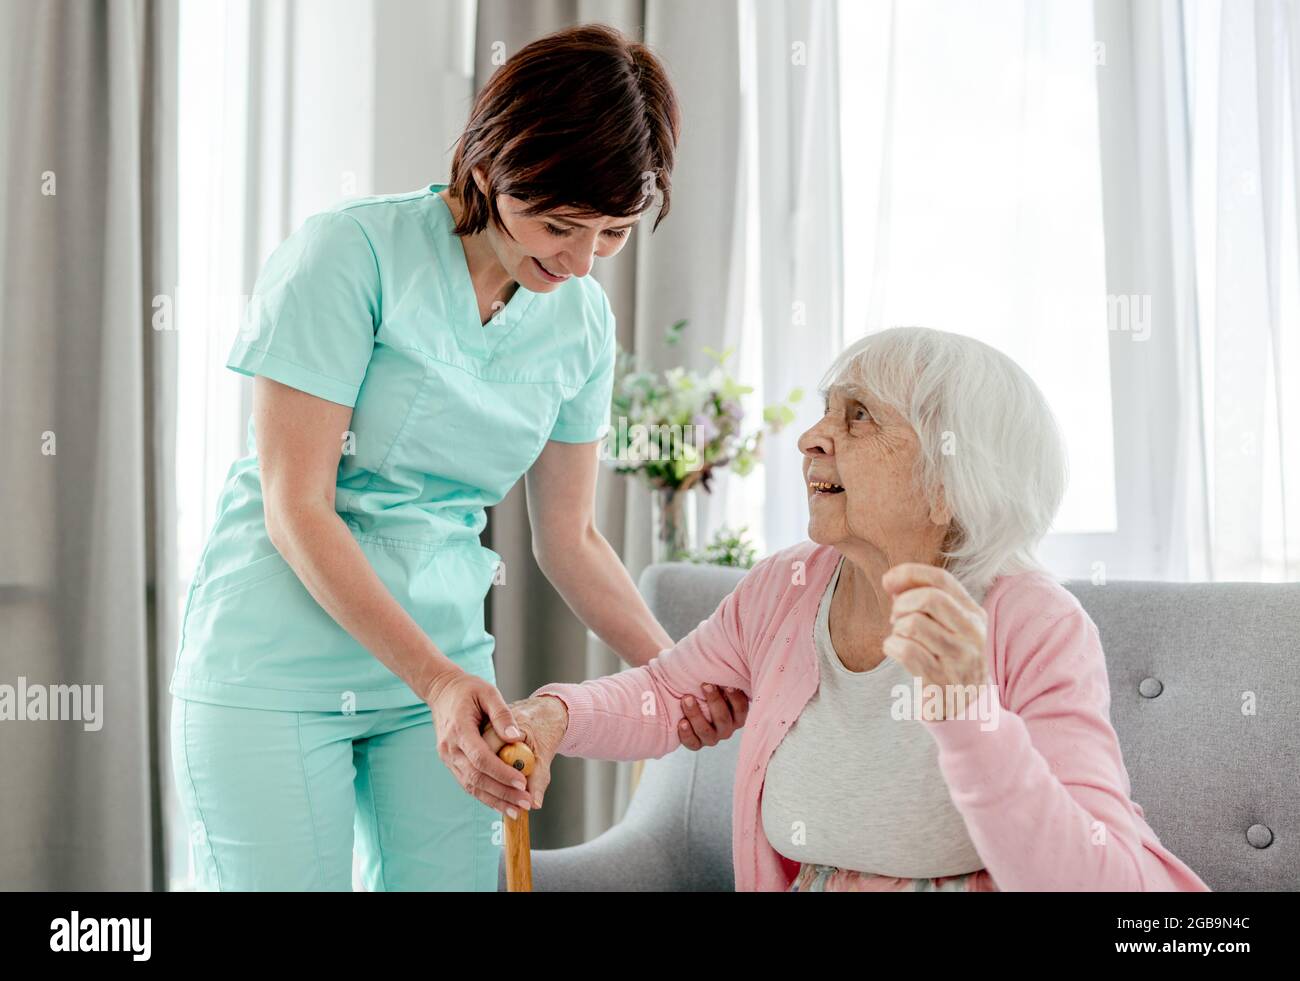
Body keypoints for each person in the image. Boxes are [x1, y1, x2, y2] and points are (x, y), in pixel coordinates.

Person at [167, 23, 747, 892]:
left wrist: (680, 672)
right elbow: (298, 506)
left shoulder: (580, 320)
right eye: (558, 223)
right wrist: (436, 680)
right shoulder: (348, 255)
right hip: (276, 654)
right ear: (489, 164)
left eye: (615, 234)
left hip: (443, 663)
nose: (582, 261)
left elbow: (570, 538)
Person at [492, 326, 1211, 892]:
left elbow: (1095, 880)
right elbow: (664, 691)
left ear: (948, 480)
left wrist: (968, 710)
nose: (811, 436)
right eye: (824, 411)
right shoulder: (787, 585)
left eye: (858, 415)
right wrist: (555, 717)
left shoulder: (1034, 625)